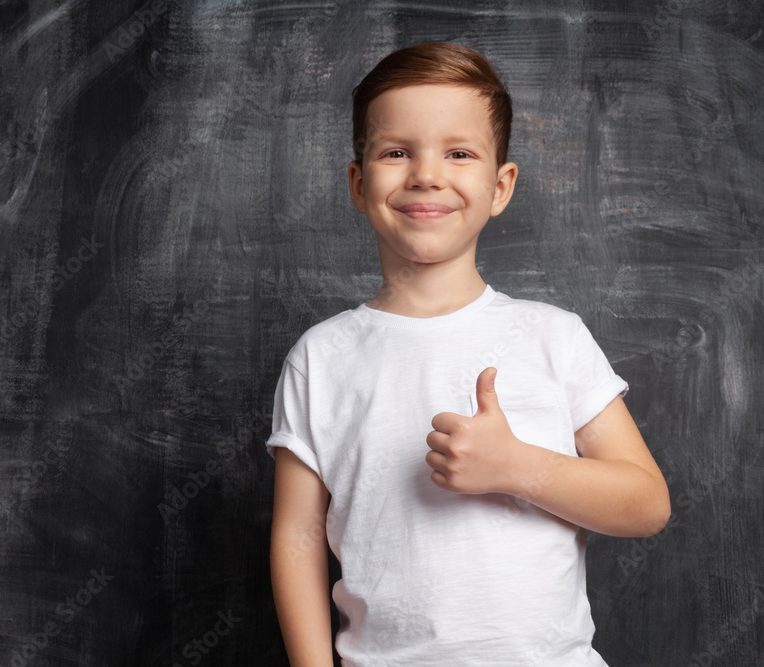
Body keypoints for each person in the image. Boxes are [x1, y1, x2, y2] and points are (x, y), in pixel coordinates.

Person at [265, 42, 671, 666]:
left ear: (500, 186)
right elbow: (297, 536)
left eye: (458, 153)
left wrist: (517, 467)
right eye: (397, 152)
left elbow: (645, 504)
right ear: (358, 181)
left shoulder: (552, 336)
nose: (426, 174)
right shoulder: (321, 356)